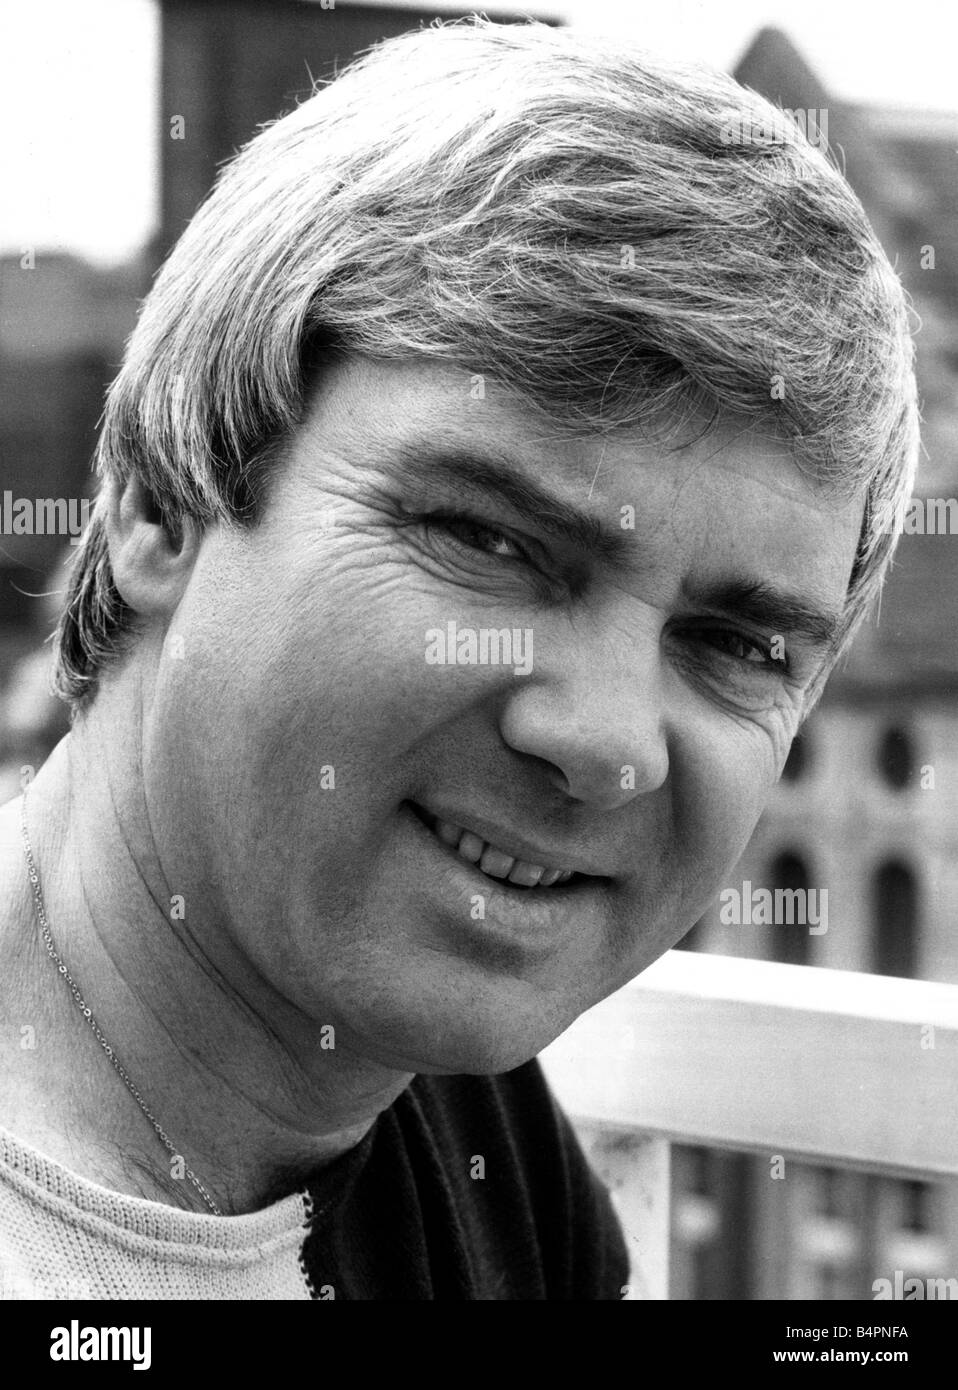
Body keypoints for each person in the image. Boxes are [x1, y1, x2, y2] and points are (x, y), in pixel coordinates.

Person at [0, 18, 917, 1300]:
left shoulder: (455, 1111)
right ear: (168, 498)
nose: (604, 741)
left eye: (734, 643)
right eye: (488, 538)